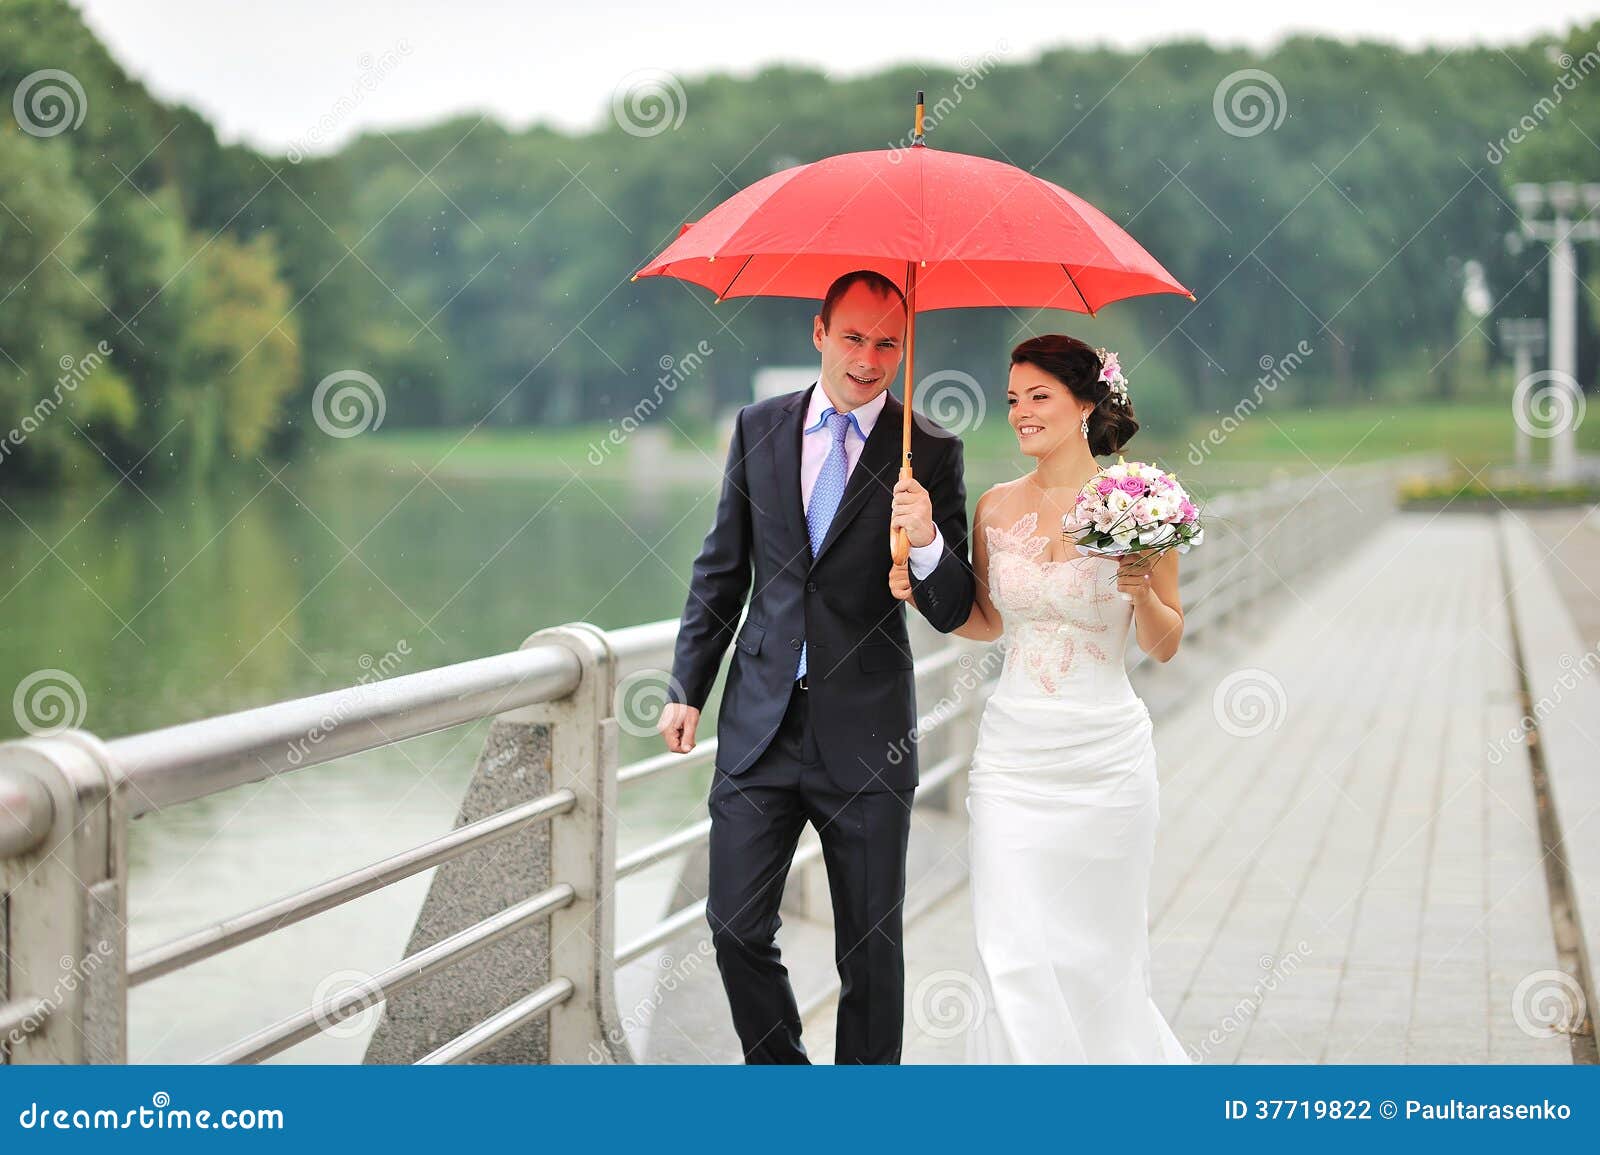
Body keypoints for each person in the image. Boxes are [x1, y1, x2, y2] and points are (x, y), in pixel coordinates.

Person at [658, 269, 976, 1063]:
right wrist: (686, 686)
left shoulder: (929, 450)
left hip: (869, 735)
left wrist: (926, 539)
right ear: (819, 333)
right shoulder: (760, 426)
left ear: (904, 347)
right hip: (759, 722)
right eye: (854, 338)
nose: (869, 359)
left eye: (888, 343)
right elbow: (722, 569)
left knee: (869, 950)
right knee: (732, 927)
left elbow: (952, 605)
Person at [890, 333, 1191, 1063]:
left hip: (1106, 761)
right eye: (1013, 400)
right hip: (1014, 762)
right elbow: (986, 620)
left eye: (1039, 397)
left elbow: (1166, 640)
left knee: (1101, 965)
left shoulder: (1145, 502)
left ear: (1086, 403)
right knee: (1012, 953)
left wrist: (1140, 589)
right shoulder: (995, 507)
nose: (1021, 413)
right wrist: (923, 557)